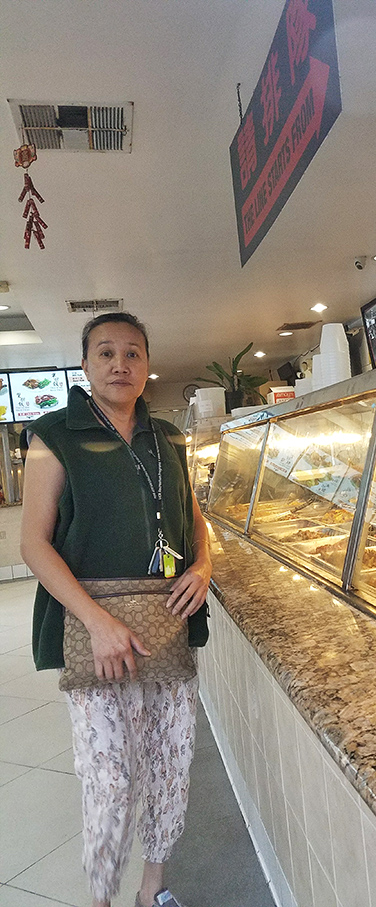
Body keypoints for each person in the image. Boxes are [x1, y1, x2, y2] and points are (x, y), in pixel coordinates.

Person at [21, 312, 212, 907]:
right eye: (105, 352)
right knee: (110, 777)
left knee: (171, 764)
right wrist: (98, 623)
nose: (120, 363)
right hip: (92, 622)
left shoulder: (170, 438)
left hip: (168, 618)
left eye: (133, 352)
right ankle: (101, 898)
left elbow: (195, 516)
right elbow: (33, 543)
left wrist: (203, 566)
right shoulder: (55, 434)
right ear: (84, 364)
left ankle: (152, 890)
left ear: (148, 364)